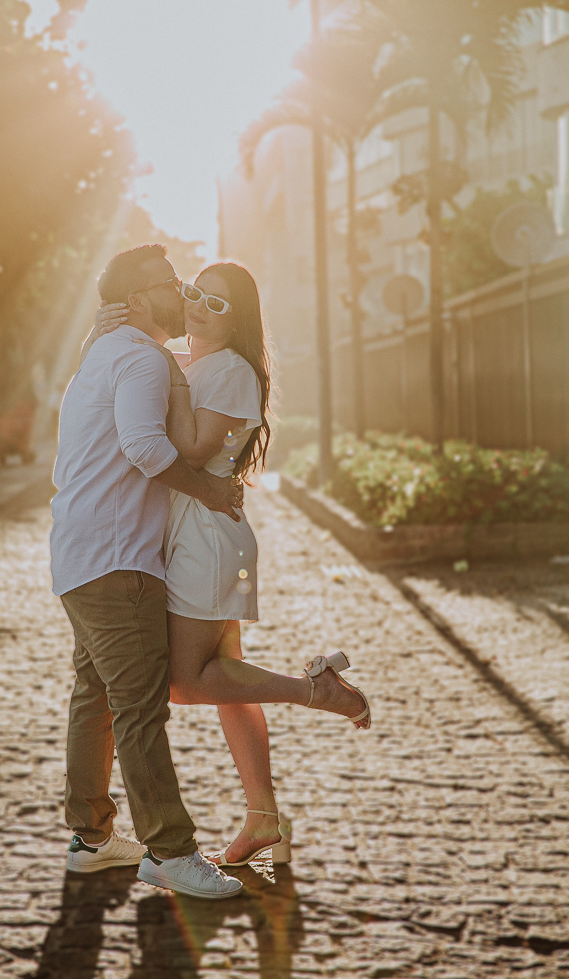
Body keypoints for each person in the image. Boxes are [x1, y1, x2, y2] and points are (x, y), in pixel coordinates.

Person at [92, 258, 371, 869]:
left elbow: (191, 448)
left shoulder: (232, 372)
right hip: (195, 530)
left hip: (206, 535)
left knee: (184, 681)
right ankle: (263, 816)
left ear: (238, 319)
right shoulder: (190, 364)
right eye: (193, 292)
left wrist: (163, 362)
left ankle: (315, 690)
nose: (197, 306)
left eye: (217, 303)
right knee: (227, 680)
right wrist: (108, 335)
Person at [51, 244, 244, 899]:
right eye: (168, 284)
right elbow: (142, 445)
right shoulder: (138, 356)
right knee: (137, 709)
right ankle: (169, 850)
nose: (181, 291)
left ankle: (92, 838)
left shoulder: (106, 353)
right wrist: (208, 491)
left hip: (78, 555)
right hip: (117, 559)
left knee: (95, 695)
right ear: (136, 301)